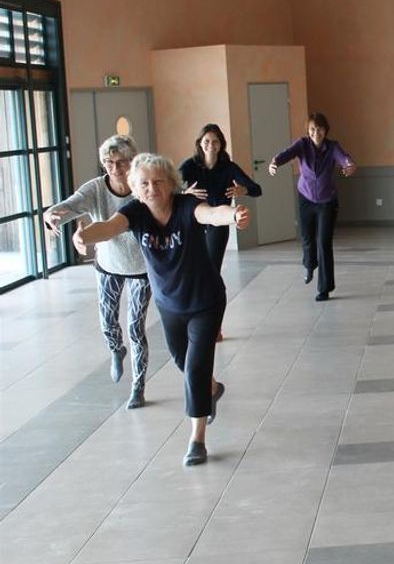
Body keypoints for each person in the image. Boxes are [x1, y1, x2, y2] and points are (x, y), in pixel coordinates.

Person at [76, 154, 250, 466]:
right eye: (143, 183)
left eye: (158, 182)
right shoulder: (134, 212)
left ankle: (196, 439)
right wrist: (83, 235)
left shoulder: (184, 206)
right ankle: (213, 388)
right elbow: (109, 227)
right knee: (183, 361)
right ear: (134, 187)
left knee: (195, 369)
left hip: (205, 302)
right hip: (169, 305)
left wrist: (232, 216)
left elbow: (211, 214)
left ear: (170, 184)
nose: (151, 188)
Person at [44, 135, 152, 410]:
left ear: (133, 161)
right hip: (108, 266)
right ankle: (117, 349)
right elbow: (69, 206)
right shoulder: (95, 189)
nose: (115, 169)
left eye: (121, 162)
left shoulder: (143, 185)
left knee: (136, 328)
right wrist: (52, 215)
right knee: (107, 321)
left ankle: (138, 386)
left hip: (141, 268)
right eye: (109, 162)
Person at [180, 123, 263, 338]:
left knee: (212, 275)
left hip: (218, 226)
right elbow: (170, 188)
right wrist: (184, 191)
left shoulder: (229, 167)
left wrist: (243, 189)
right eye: (206, 141)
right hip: (194, 225)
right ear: (200, 143)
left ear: (221, 145)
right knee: (194, 273)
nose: (210, 145)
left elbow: (256, 189)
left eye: (215, 141)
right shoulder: (190, 165)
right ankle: (195, 320)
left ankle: (214, 325)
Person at [268, 112, 357, 301]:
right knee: (307, 238)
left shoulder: (332, 146)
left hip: (327, 201)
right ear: (308, 131)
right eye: (312, 129)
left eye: (319, 129)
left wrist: (349, 165)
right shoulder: (302, 144)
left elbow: (343, 158)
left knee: (324, 243)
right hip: (306, 198)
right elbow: (287, 153)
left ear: (326, 130)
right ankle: (309, 264)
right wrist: (275, 162)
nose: (316, 132)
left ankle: (324, 288)